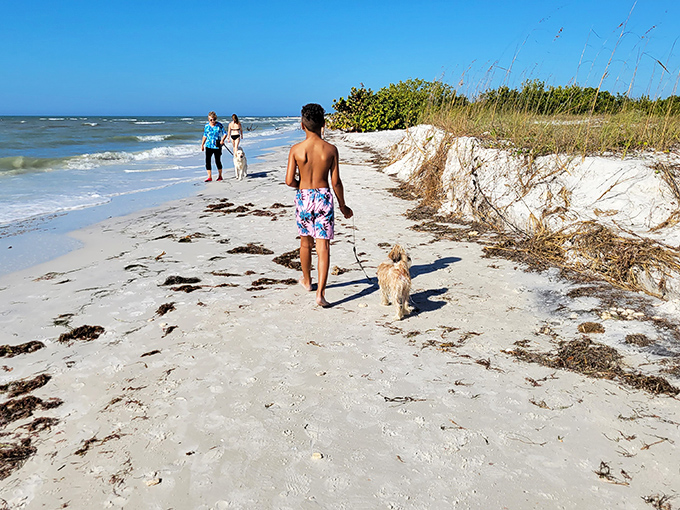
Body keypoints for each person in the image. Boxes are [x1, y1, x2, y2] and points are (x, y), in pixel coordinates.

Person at [285, 103, 353, 307]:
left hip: (304, 197)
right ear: (324, 124)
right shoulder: (331, 150)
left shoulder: (296, 150)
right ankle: (321, 294)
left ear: (302, 125)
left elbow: (288, 180)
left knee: (305, 242)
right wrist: (343, 205)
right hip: (324, 196)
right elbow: (336, 182)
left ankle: (307, 281)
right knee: (323, 246)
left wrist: (303, 187)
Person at [201, 112, 227, 182]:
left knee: (217, 161)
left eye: (214, 119)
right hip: (208, 145)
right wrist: (202, 144)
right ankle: (209, 177)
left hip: (217, 145)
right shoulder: (206, 126)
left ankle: (220, 176)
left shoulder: (219, 125)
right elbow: (205, 135)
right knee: (207, 161)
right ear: (209, 119)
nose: (213, 121)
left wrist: (222, 140)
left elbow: (225, 133)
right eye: (211, 120)